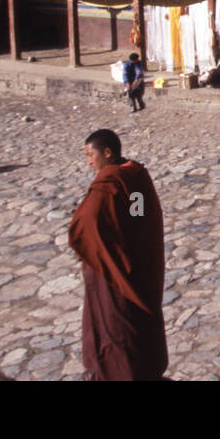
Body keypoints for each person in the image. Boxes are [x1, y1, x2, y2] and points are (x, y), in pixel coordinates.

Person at [69, 128, 167, 380]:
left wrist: (100, 250)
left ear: (107, 152)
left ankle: (118, 373)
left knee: (116, 324)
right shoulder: (134, 173)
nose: (89, 161)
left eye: (90, 155)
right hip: (138, 261)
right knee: (137, 321)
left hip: (112, 268)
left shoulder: (108, 183)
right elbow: (139, 214)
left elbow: (84, 224)